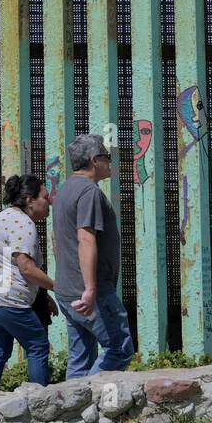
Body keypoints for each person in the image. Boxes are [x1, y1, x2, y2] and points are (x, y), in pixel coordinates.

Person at [51, 132, 135, 378]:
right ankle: (95, 402)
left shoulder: (64, 191)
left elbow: (57, 241)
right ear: (93, 159)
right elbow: (85, 238)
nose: (110, 162)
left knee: (81, 359)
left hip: (67, 290)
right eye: (106, 157)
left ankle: (73, 412)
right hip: (90, 292)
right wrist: (89, 289)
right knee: (119, 349)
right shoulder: (89, 192)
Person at [0, 174, 57, 389]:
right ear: (30, 200)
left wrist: (43, 296)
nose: (50, 202)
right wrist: (58, 287)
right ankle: (40, 403)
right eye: (46, 198)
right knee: (37, 345)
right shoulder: (24, 224)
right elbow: (26, 267)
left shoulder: (0, 218)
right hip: (8, 298)